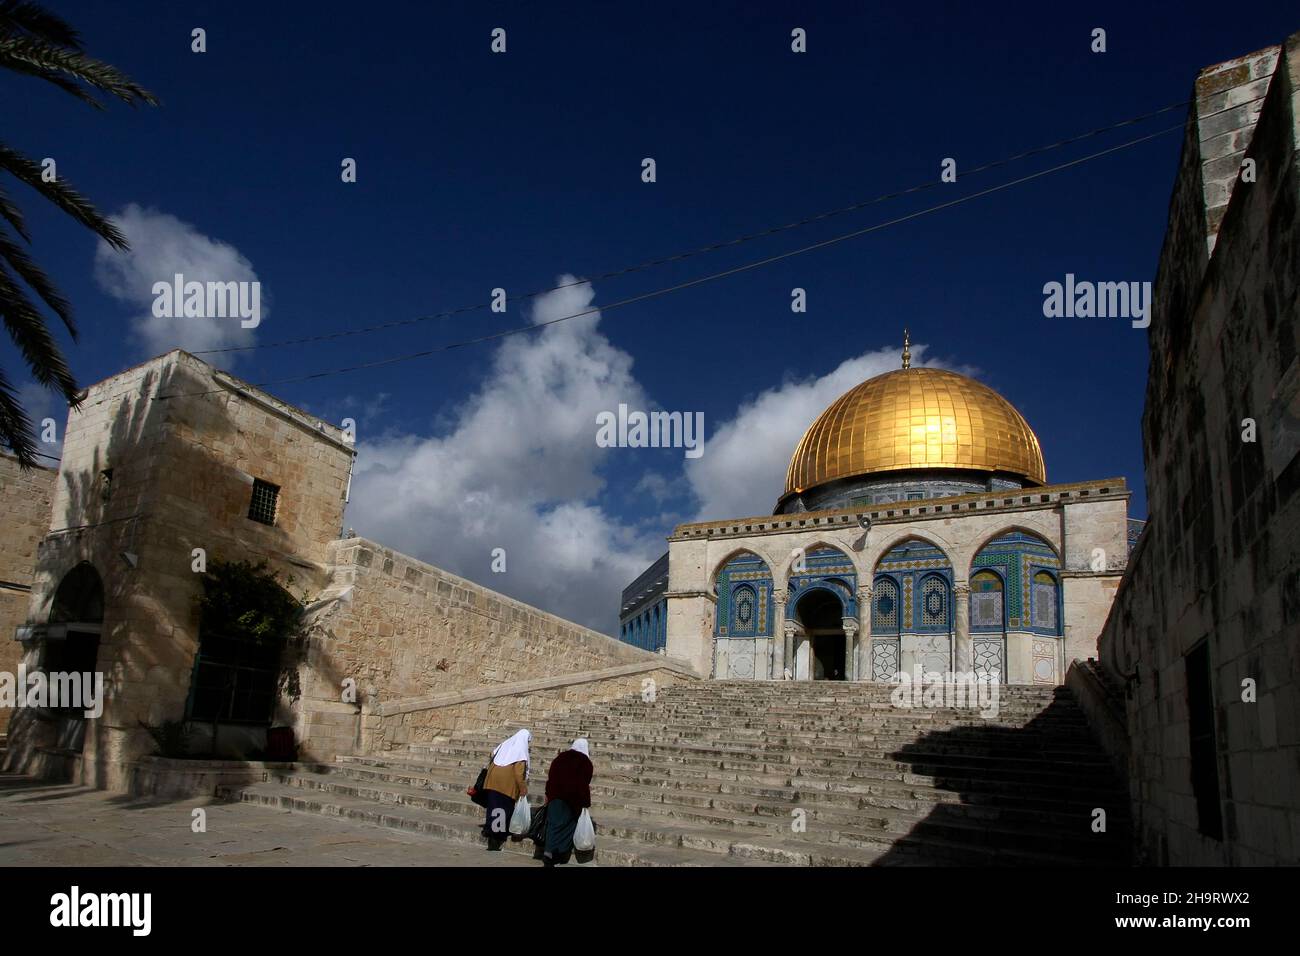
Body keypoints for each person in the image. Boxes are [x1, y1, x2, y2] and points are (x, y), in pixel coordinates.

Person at [542, 737, 593, 866]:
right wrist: (586, 803)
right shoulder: (585, 762)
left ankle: (549, 852)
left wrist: (548, 794)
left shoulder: (560, 758)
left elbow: (551, 777)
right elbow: (583, 784)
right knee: (569, 826)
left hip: (555, 796)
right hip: (572, 800)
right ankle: (558, 852)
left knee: (554, 824)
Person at [481, 729, 529, 850]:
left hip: (492, 780)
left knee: (493, 808)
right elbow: (519, 773)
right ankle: (495, 840)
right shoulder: (520, 751)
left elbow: (493, 754)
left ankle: (489, 831)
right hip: (506, 785)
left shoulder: (505, 744)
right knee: (502, 811)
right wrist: (523, 788)